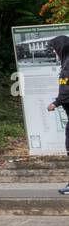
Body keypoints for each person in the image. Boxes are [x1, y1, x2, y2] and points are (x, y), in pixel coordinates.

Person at [45, 35, 69, 194]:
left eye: (55, 48)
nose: (54, 52)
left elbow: (66, 90)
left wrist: (56, 103)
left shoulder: (68, 65)